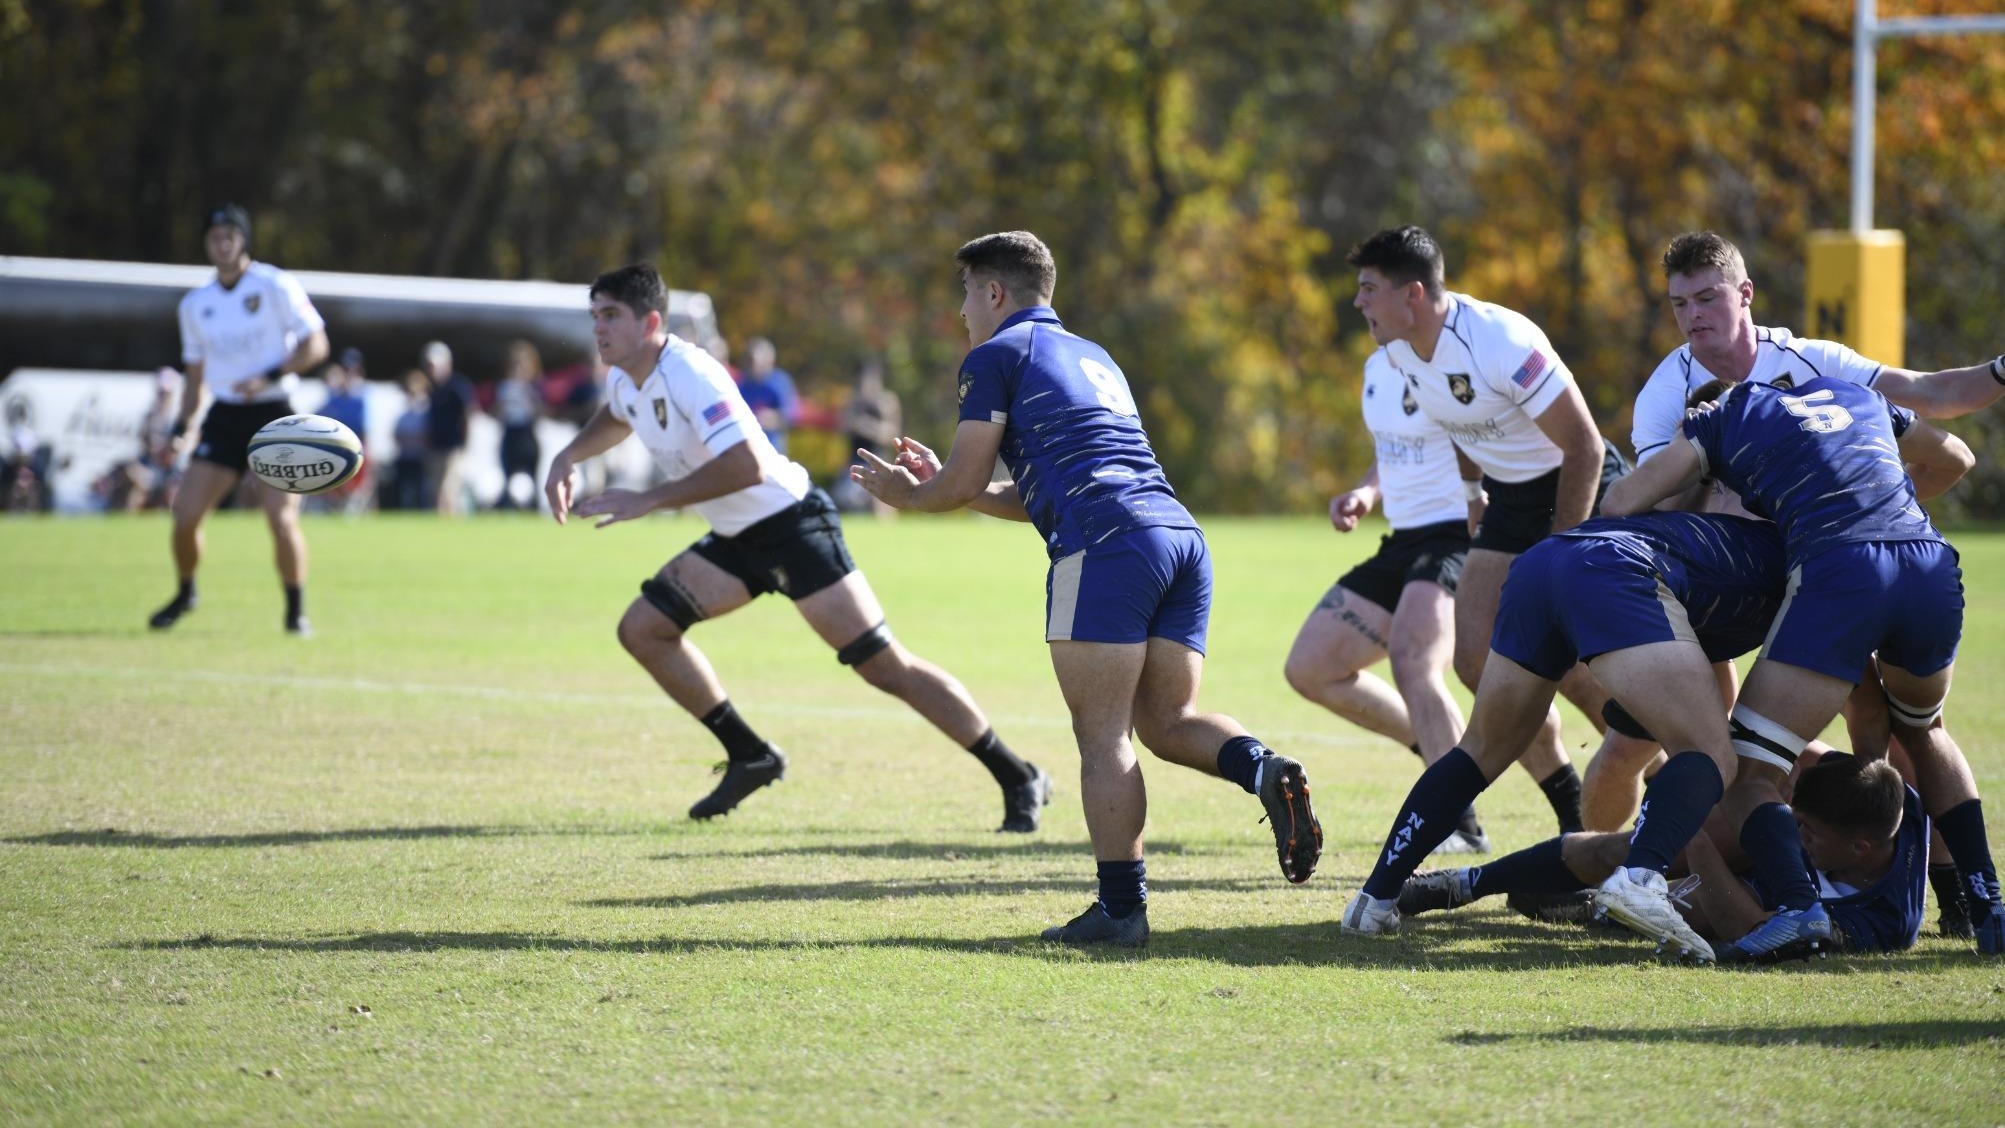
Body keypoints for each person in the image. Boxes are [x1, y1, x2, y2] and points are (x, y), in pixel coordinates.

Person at [850, 230, 1322, 948]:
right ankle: (1264, 770)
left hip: (1104, 547)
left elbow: (966, 479)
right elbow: (1042, 486)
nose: (962, 312)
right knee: (1167, 721)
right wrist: (949, 485)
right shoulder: (1091, 354)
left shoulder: (994, 356)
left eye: (966, 294)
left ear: (994, 292)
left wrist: (908, 494)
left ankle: (1121, 910)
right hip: (1177, 536)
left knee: (1103, 736)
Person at [544, 264, 1052, 834]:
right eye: (595, 316)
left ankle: (1018, 775)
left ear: (650, 323)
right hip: (737, 538)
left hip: (792, 527)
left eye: (611, 315)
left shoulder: (688, 372)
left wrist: (651, 499)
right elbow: (618, 415)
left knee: (886, 668)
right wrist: (567, 457)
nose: (599, 328)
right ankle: (750, 754)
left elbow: (747, 465)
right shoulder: (624, 378)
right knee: (643, 629)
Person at [1602, 374, 1999, 958]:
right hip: (1927, 561)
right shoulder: (1854, 393)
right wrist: (1878, 502)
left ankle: (1798, 910)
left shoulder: (1728, 412)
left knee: (1747, 774)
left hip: (1840, 565)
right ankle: (1987, 904)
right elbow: (1954, 456)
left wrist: (1698, 450)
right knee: (1924, 729)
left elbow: (1621, 504)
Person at [1338, 508, 1788, 962]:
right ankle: (1638, 880)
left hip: (1546, 560)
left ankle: (1373, 899)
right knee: (1710, 753)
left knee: (1479, 750)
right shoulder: (1811, 573)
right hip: (1616, 572)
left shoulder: (1742, 537)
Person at [1347, 224, 1630, 837]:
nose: (1358, 301)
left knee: (1575, 664)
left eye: (1369, 288)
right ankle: (1571, 800)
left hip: (1578, 487)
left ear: (1412, 294)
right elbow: (1457, 419)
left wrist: (1562, 552)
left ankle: (1652, 768)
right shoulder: (1399, 349)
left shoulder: (1499, 339)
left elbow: (1584, 447)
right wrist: (1474, 493)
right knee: (1475, 661)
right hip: (1511, 500)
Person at [1398, 753, 1931, 957]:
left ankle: (1593, 908)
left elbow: (1748, 929)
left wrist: (1693, 837)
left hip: (1751, 904)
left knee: (1696, 912)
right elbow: (1801, 755)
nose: (1798, 835)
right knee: (1623, 849)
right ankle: (1466, 882)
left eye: (1808, 831)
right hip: (1764, 860)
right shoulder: (1889, 798)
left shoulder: (1881, 921)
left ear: (1860, 848)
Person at [1283, 348, 1491, 854]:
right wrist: (1366, 493)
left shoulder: (1456, 356)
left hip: (1457, 537)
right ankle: (1436, 750)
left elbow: (1497, 442)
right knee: (1310, 667)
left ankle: (1460, 823)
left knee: (1416, 664)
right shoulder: (1376, 366)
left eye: (1370, 301)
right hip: (1403, 541)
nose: (1362, 309)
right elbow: (1393, 451)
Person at [150, 204, 329, 635]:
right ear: (207, 244)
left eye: (230, 235)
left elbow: (316, 345)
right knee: (185, 515)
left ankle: (295, 612)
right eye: (215, 237)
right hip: (226, 415)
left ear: (243, 240)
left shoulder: (274, 284)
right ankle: (186, 591)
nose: (223, 243)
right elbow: (195, 378)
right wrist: (181, 429)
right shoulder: (196, 304)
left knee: (281, 519)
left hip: (275, 413)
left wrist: (268, 376)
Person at [832, 356, 903, 516]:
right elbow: (842, 429)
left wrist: (866, 426)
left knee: (882, 502)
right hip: (854, 462)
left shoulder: (886, 401)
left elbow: (891, 434)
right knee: (845, 499)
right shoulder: (852, 401)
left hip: (879, 461)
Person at [421, 340, 476, 516]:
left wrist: (465, 444)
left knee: (449, 489)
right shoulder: (432, 389)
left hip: (453, 447)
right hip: (436, 446)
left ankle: (451, 523)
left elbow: (467, 414)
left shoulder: (457, 386)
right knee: (436, 489)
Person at [316, 348, 371, 515]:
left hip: (357, 442)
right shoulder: (334, 394)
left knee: (357, 483)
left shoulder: (363, 393)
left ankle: (353, 510)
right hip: (336, 443)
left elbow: (364, 424)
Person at [493, 339, 544, 510]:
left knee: (531, 474)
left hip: (527, 434)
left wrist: (530, 397)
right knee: (508, 473)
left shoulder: (535, 387)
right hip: (510, 433)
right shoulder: (504, 387)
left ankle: (533, 507)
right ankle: (508, 506)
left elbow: (542, 412)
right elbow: (497, 413)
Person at [737, 336, 800, 454]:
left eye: (754, 361)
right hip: (747, 450)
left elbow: (792, 415)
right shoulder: (742, 383)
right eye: (749, 360)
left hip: (773, 450)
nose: (751, 366)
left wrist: (774, 418)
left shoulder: (780, 382)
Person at [388, 369, 430, 511]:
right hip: (405, 455)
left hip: (420, 456)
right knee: (403, 489)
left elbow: (426, 435)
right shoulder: (403, 408)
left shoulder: (426, 409)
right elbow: (396, 434)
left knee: (421, 490)